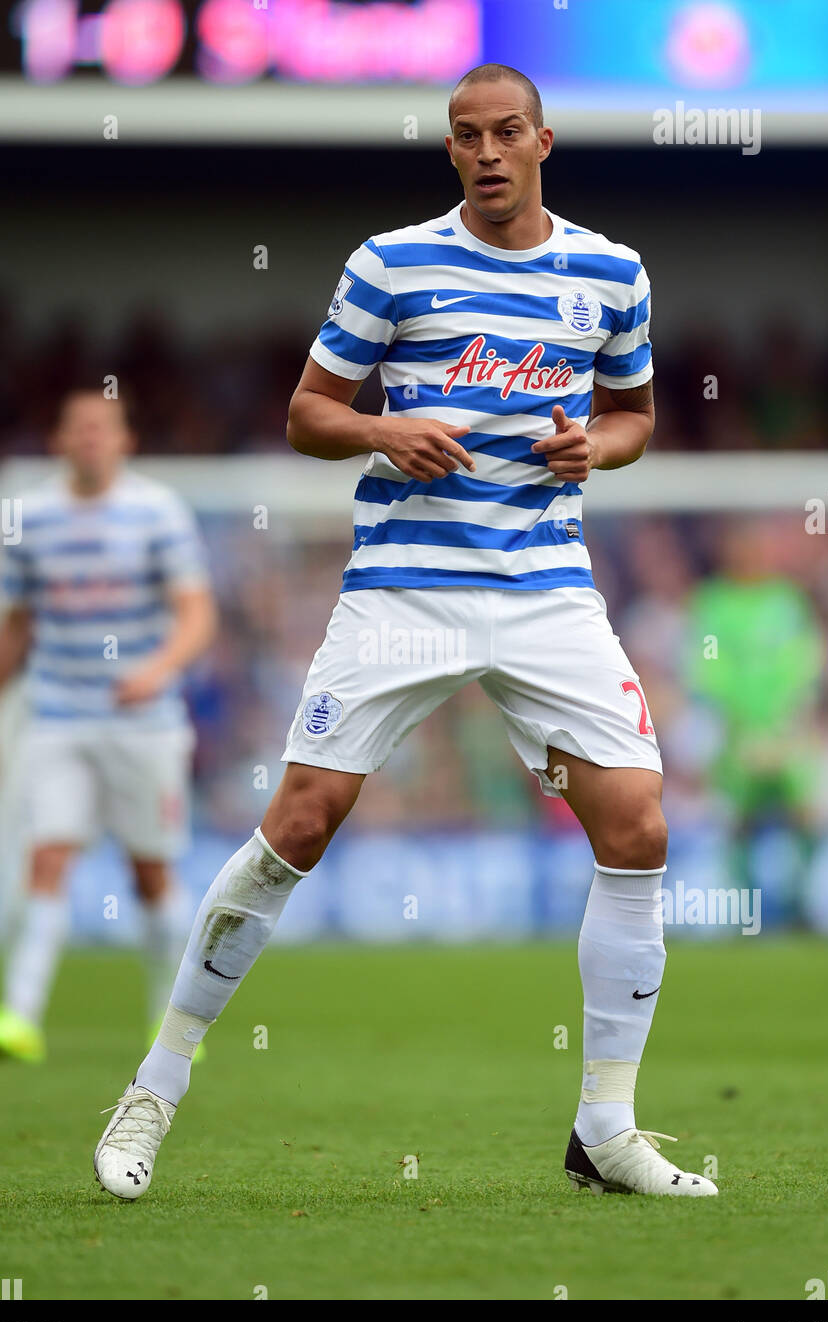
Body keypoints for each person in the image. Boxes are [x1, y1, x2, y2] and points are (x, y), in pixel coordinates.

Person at [95, 65, 717, 1199]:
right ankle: (154, 1085)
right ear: (449, 151)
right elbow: (306, 416)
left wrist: (599, 450)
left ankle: (605, 1128)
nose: (486, 152)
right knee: (299, 821)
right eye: (465, 137)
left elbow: (633, 418)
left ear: (542, 139)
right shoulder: (391, 262)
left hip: (542, 590)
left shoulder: (609, 271)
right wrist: (386, 428)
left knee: (635, 826)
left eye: (505, 133)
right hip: (402, 592)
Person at [0, 389, 216, 1062]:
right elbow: (15, 625)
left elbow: (197, 613)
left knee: (151, 873)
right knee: (46, 856)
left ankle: (171, 1024)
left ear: (124, 441)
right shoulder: (34, 520)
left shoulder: (156, 512)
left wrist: (158, 668)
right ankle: (18, 1018)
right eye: (77, 428)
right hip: (57, 715)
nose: (89, 438)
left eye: (101, 428)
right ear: (57, 441)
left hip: (144, 722)